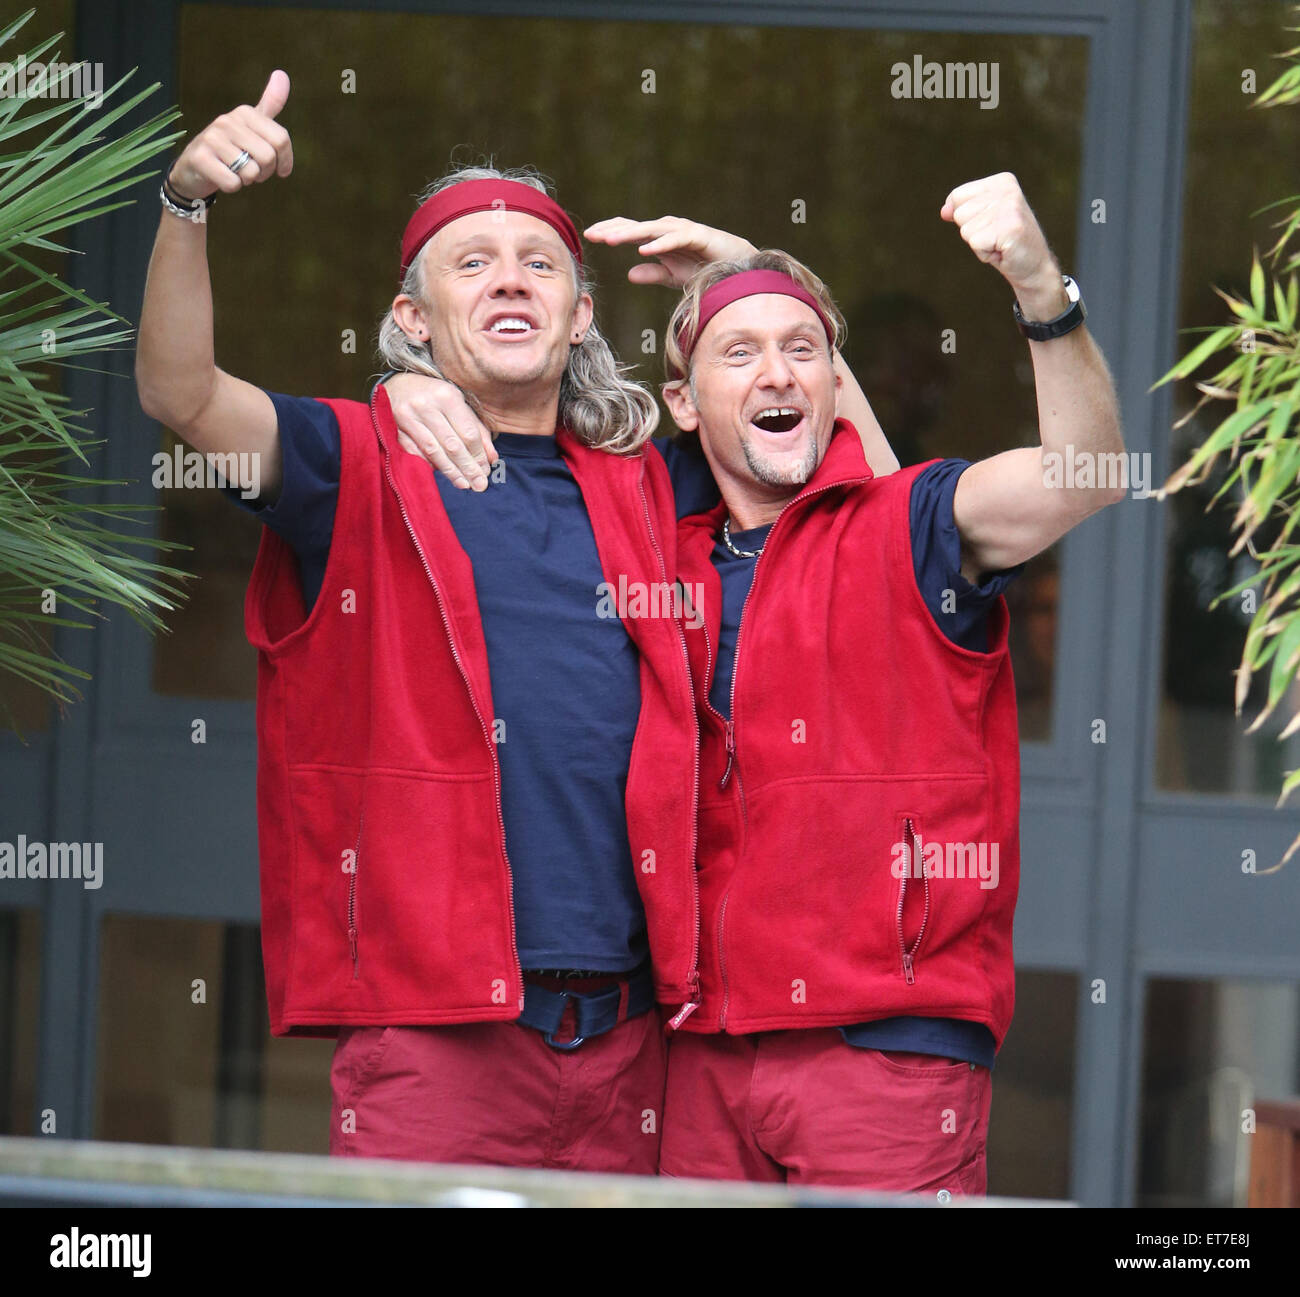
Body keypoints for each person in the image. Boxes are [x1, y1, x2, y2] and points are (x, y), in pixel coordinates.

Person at [135, 69, 713, 1173]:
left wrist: (737, 273)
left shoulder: (649, 486)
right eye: (474, 262)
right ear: (413, 316)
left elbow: (855, 488)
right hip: (436, 1042)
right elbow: (180, 391)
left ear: (580, 315)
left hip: (632, 1045)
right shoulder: (350, 461)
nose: (512, 280)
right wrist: (186, 203)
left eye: (542, 265)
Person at [653, 174, 1124, 1192]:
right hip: (697, 1051)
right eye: (740, 352)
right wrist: (415, 382)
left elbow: (1084, 474)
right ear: (682, 403)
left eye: (803, 351)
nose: (778, 371)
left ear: (835, 386)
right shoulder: (646, 551)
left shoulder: (913, 525)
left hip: (886, 1050)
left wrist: (1042, 288)